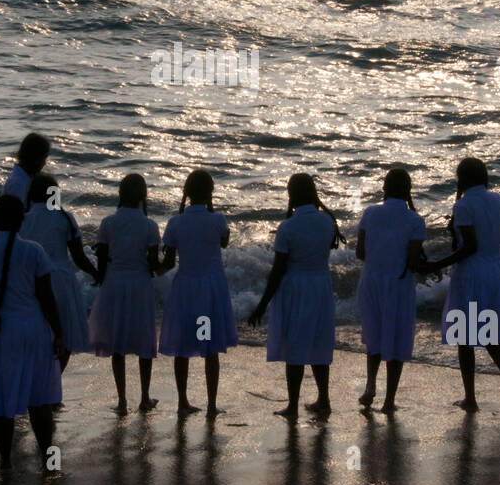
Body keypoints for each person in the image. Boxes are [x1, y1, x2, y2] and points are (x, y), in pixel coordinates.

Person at [0, 195, 64, 470]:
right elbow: (46, 298)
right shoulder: (33, 251)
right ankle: (48, 459)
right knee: (39, 400)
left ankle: (5, 460)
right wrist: (59, 332)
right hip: (30, 329)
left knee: (0, 402)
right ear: (20, 220)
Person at [418, 158, 500, 414]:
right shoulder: (497, 200)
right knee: (489, 334)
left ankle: (470, 398)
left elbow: (469, 246)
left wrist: (436, 264)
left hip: (472, 272)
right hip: (495, 269)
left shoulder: (463, 204)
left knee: (465, 339)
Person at [248, 173, 343, 419]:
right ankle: (324, 399)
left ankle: (292, 405)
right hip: (321, 286)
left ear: (290, 195)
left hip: (295, 288)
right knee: (319, 344)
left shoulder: (287, 227)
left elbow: (278, 270)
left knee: (296, 348)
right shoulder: (327, 222)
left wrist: (262, 304)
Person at [158, 170, 237, 417]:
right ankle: (212, 404)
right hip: (212, 289)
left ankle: (183, 401)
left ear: (187, 192)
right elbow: (223, 242)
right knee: (210, 346)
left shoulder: (175, 223)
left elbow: (169, 262)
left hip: (186, 289)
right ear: (210, 192)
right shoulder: (218, 221)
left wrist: (149, 268)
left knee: (183, 346)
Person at [355, 167, 427, 413]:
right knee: (396, 339)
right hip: (398, 283)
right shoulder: (415, 220)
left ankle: (370, 385)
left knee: (373, 335)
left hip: (371, 280)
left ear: (384, 188)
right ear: (409, 192)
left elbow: (360, 253)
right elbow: (415, 262)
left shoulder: (370, 213)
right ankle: (389, 401)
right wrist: (435, 268)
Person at [89, 174, 161, 414]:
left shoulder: (108, 223)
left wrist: (99, 278)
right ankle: (145, 397)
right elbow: (152, 262)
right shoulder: (149, 225)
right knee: (144, 342)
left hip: (115, 283)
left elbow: (101, 259)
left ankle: (122, 401)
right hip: (139, 283)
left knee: (117, 343)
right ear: (143, 195)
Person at [19, 173, 97, 376]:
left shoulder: (23, 219)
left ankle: (38, 385)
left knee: (38, 336)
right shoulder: (64, 218)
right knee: (64, 337)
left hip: (31, 282)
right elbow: (79, 257)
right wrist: (97, 274)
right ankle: (52, 383)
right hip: (61, 282)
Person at [4, 133, 51, 206]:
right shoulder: (18, 184)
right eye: (44, 158)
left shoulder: (27, 178)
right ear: (36, 159)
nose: (44, 163)